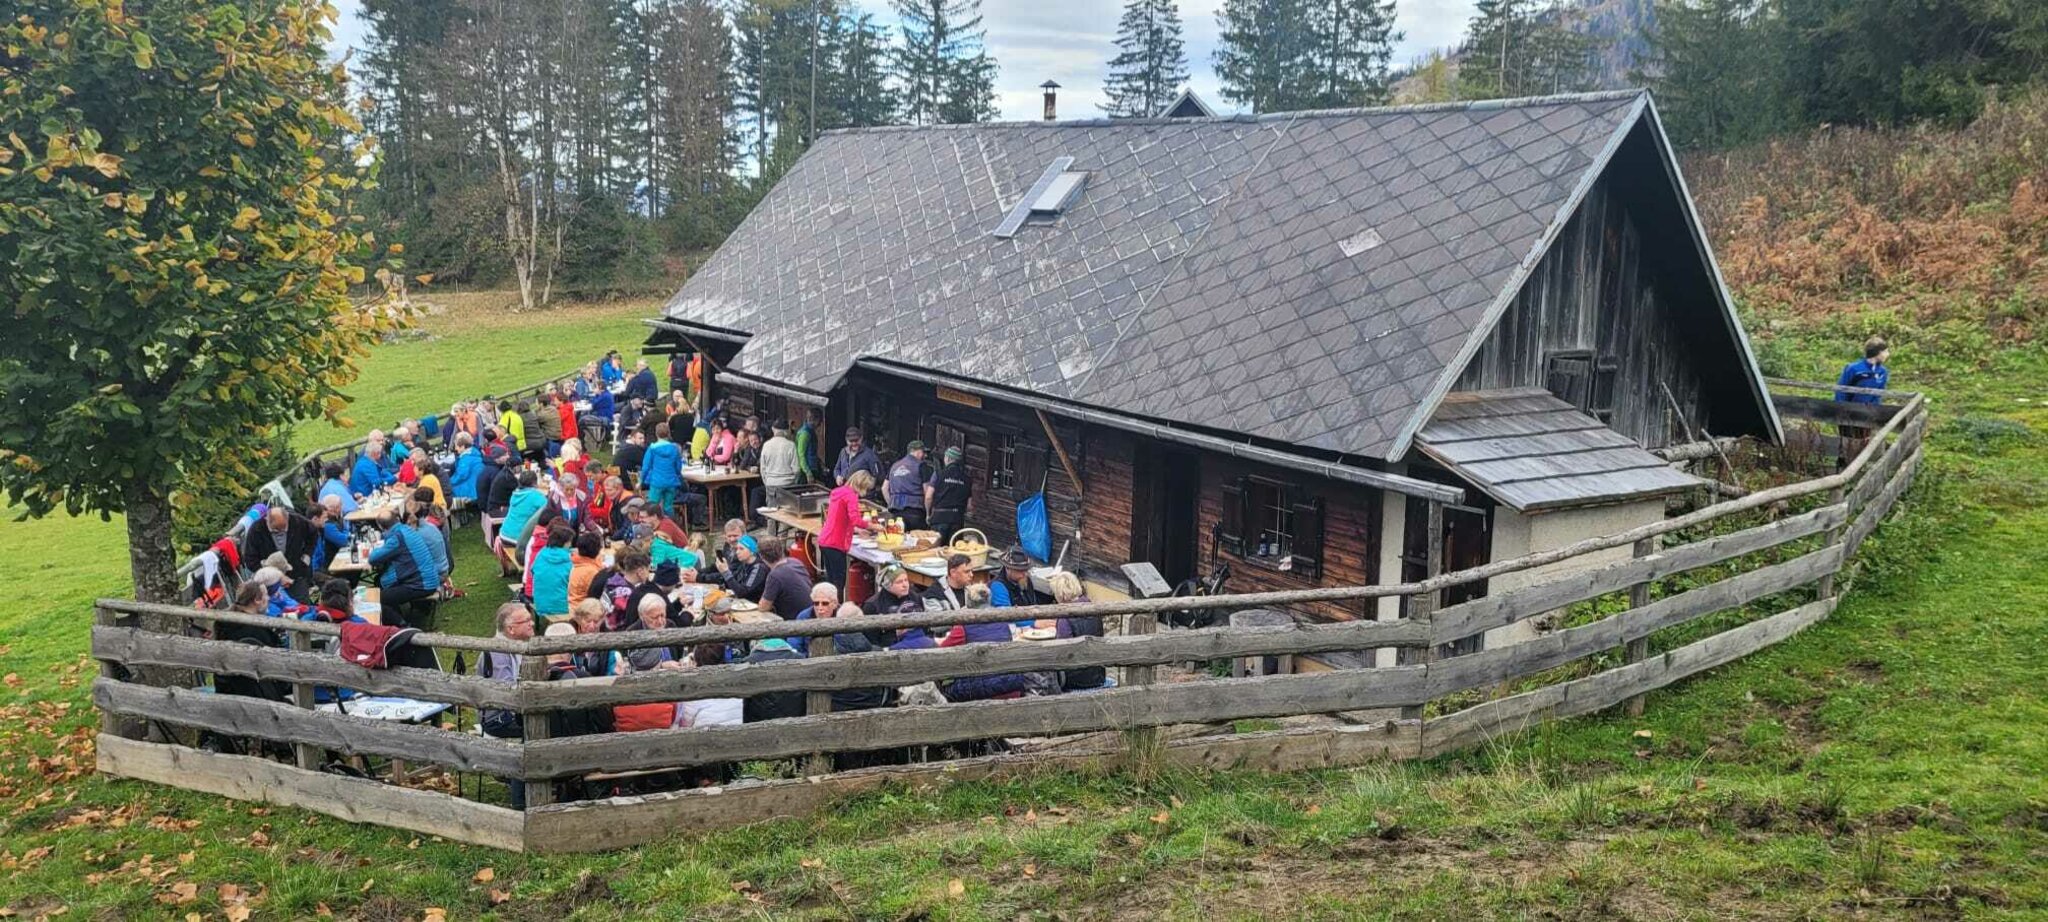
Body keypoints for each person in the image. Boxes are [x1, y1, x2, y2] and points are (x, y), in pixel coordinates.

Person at [368, 510, 439, 628]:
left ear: (381, 526)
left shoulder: (397, 538)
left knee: (377, 598)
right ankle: (398, 618)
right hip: (428, 578)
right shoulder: (406, 530)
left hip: (421, 584)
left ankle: (402, 626)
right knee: (380, 582)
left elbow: (373, 558)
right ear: (397, 519)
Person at [1045, 572, 1106, 690]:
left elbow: (1063, 651)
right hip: (1097, 674)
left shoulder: (1065, 617)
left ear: (1060, 594)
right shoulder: (1093, 608)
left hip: (1075, 679)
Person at [818, 469, 877, 590]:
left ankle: (831, 605)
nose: (866, 492)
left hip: (825, 540)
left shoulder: (838, 492)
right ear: (861, 485)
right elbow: (855, 519)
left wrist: (856, 530)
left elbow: (840, 517)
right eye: (866, 488)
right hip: (836, 543)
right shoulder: (851, 496)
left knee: (831, 581)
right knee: (839, 583)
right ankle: (836, 607)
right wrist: (873, 526)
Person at [1836, 336, 1891, 462]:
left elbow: (1879, 394)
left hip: (1868, 414)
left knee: (1863, 442)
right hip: (1849, 413)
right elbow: (1841, 390)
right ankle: (1842, 467)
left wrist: (1876, 412)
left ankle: (1858, 467)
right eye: (1886, 351)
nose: (1888, 354)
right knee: (1847, 443)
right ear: (1878, 353)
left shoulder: (1883, 372)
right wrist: (1841, 411)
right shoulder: (1853, 369)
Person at [241, 506, 315, 597]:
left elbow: (313, 534)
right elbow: (250, 559)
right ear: (267, 520)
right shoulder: (256, 529)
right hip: (270, 583)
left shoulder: (298, 522)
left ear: (287, 517)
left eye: (284, 529)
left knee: (302, 606)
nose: (280, 532)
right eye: (276, 530)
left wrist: (306, 556)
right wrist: (273, 574)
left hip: (296, 575)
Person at [862, 564, 925, 646]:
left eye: (906, 580)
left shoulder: (915, 597)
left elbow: (925, 626)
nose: (905, 585)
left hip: (917, 642)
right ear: (888, 585)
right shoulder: (872, 606)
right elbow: (871, 640)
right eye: (899, 582)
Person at [755, 535, 812, 619]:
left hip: (795, 621)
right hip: (811, 612)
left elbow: (763, 607)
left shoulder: (775, 575)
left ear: (761, 556)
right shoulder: (796, 562)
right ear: (781, 550)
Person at [530, 522, 576, 621]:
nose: (571, 544)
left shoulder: (541, 554)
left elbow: (532, 571)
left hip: (540, 603)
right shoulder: (570, 562)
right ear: (564, 543)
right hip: (562, 607)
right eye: (570, 542)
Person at [925, 446, 971, 544]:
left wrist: (928, 514)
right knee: (953, 553)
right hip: (957, 520)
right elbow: (970, 506)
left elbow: (928, 497)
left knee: (935, 553)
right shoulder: (967, 479)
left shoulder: (938, 474)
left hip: (939, 518)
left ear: (948, 458)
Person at [885, 440, 932, 530]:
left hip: (896, 512)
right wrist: (928, 513)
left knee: (897, 539)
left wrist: (891, 503)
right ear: (917, 452)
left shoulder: (894, 465)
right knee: (916, 542)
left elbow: (884, 488)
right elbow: (927, 493)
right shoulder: (921, 466)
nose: (925, 456)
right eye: (923, 452)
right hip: (915, 512)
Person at [601, 547, 652, 630]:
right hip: (617, 636)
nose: (648, 573)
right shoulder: (628, 594)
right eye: (648, 570)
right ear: (640, 571)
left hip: (604, 628)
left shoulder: (612, 581)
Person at [640, 422, 684, 517]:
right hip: (671, 481)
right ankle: (671, 526)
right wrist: (677, 475)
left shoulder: (652, 449)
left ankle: (653, 527)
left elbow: (646, 467)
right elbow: (678, 466)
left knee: (652, 506)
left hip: (657, 481)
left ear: (656, 434)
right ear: (668, 433)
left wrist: (640, 481)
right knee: (668, 507)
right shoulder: (674, 449)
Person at [309, 498, 349, 576]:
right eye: (324, 518)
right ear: (315, 519)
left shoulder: (319, 532)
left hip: (323, 567)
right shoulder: (311, 535)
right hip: (318, 571)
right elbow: (345, 541)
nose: (326, 520)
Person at [567, 531, 606, 604]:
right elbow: (598, 594)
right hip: (582, 607)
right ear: (597, 550)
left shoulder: (579, 562)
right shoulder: (591, 572)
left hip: (575, 603)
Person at [761, 422, 799, 489]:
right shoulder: (791, 445)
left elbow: (763, 468)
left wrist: (767, 482)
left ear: (773, 429)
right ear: (787, 431)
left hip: (771, 483)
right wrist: (794, 482)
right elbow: (796, 469)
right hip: (788, 483)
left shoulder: (766, 445)